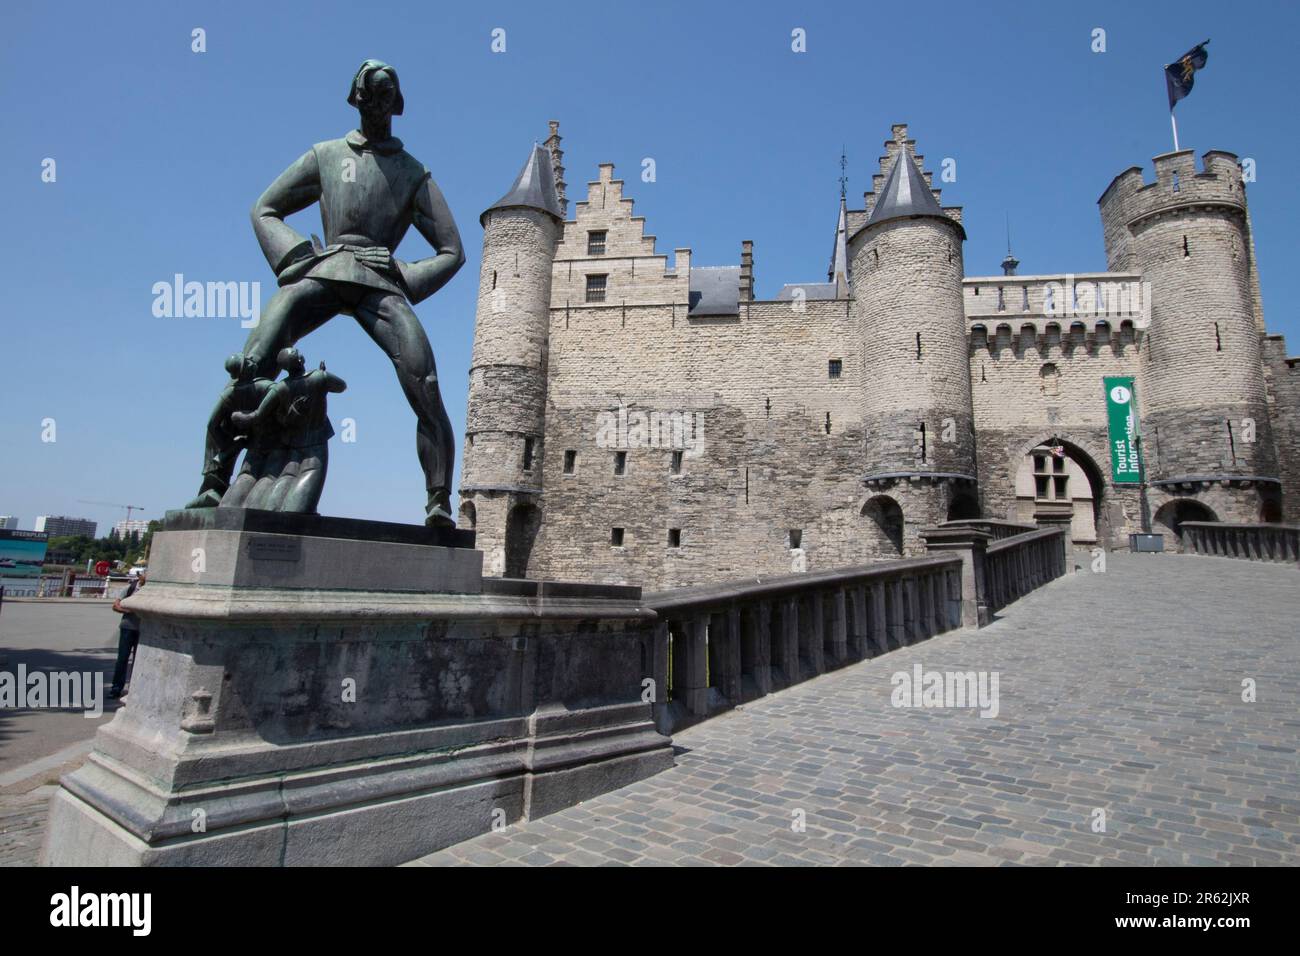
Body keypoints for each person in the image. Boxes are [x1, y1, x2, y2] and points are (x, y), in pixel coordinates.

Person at [185, 59, 464, 526]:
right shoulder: (326, 155)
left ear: (397, 103)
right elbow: (265, 208)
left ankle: (438, 501)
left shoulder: (414, 173)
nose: (377, 103)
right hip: (323, 269)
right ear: (356, 98)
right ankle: (215, 482)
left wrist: (401, 270)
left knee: (426, 382)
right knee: (252, 362)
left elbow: (452, 250)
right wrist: (298, 257)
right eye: (369, 94)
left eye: (386, 94)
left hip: (379, 283)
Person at [109, 573, 145, 699]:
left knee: (138, 660)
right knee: (122, 659)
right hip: (127, 627)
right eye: (145, 575)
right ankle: (116, 688)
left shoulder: (149, 590)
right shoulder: (130, 588)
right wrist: (128, 610)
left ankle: (134, 688)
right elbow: (115, 606)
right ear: (140, 576)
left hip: (144, 630)